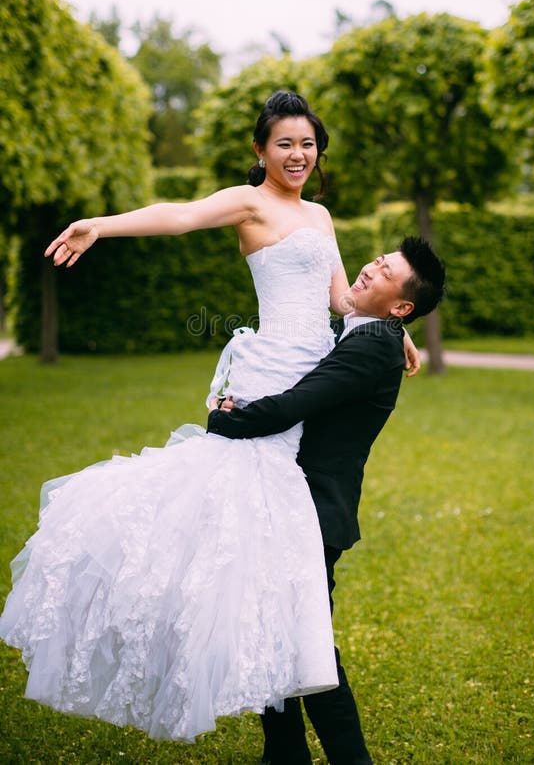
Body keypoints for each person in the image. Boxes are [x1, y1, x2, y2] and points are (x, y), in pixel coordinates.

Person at [0, 91, 419, 743]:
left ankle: (280, 703)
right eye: (284, 143)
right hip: (274, 377)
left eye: (307, 143)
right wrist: (101, 226)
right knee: (229, 513)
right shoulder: (251, 203)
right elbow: (179, 214)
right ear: (261, 150)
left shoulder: (323, 214)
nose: (298, 154)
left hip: (313, 380)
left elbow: (341, 298)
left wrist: (395, 331)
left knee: (262, 534)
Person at [207, 236, 446, 765]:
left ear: (402, 305)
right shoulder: (370, 333)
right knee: (274, 631)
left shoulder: (372, 345)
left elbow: (296, 404)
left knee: (305, 645)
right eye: (379, 260)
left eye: (385, 272)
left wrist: (224, 418)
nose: (368, 269)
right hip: (293, 500)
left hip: (314, 509)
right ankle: (285, 754)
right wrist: (396, 329)